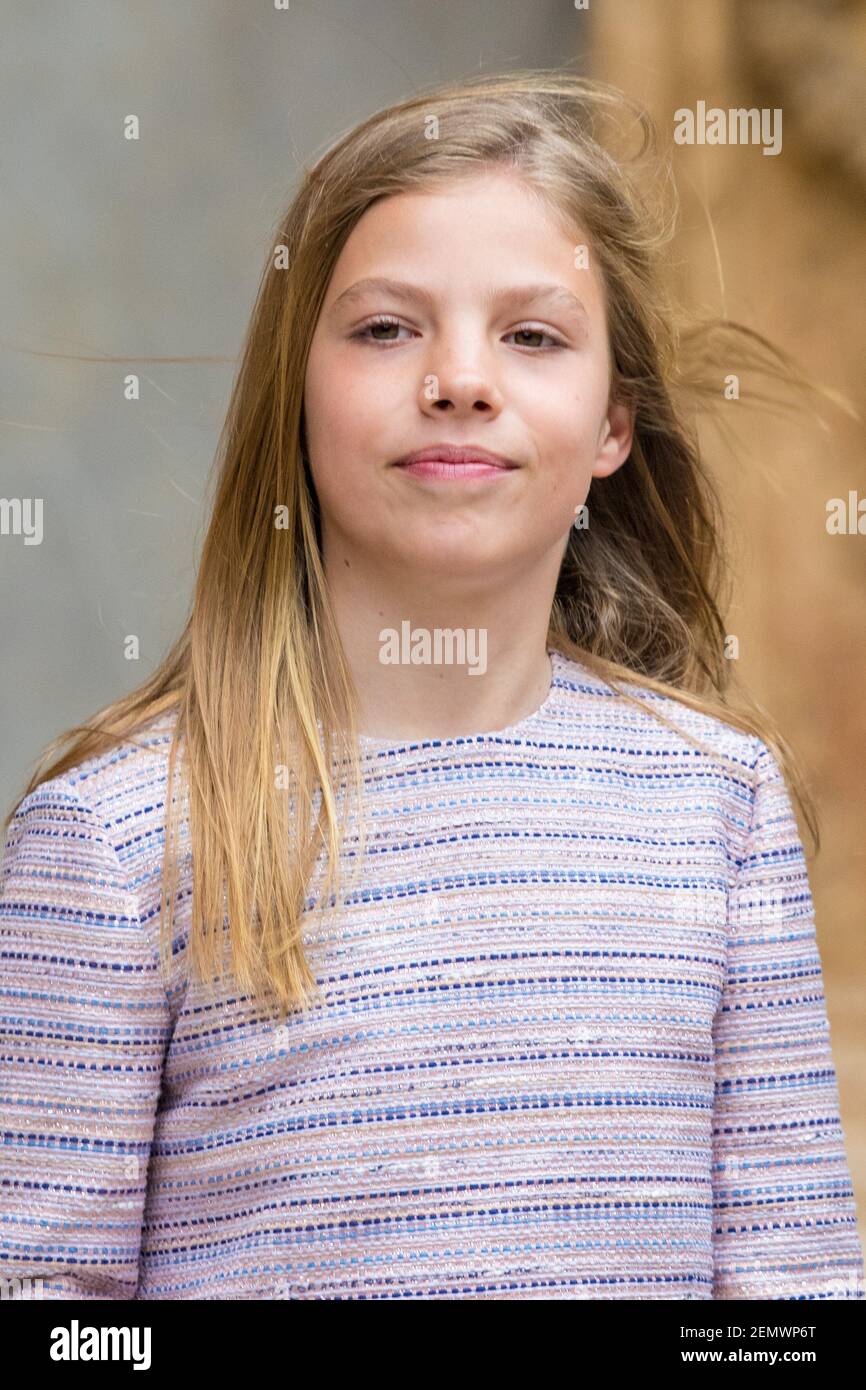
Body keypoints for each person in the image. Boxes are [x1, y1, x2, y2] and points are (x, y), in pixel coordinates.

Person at [1, 70, 863, 1301]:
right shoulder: (116, 838)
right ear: (294, 396)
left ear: (613, 423)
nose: (460, 377)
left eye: (531, 335)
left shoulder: (717, 807)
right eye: (386, 327)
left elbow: (791, 1301)